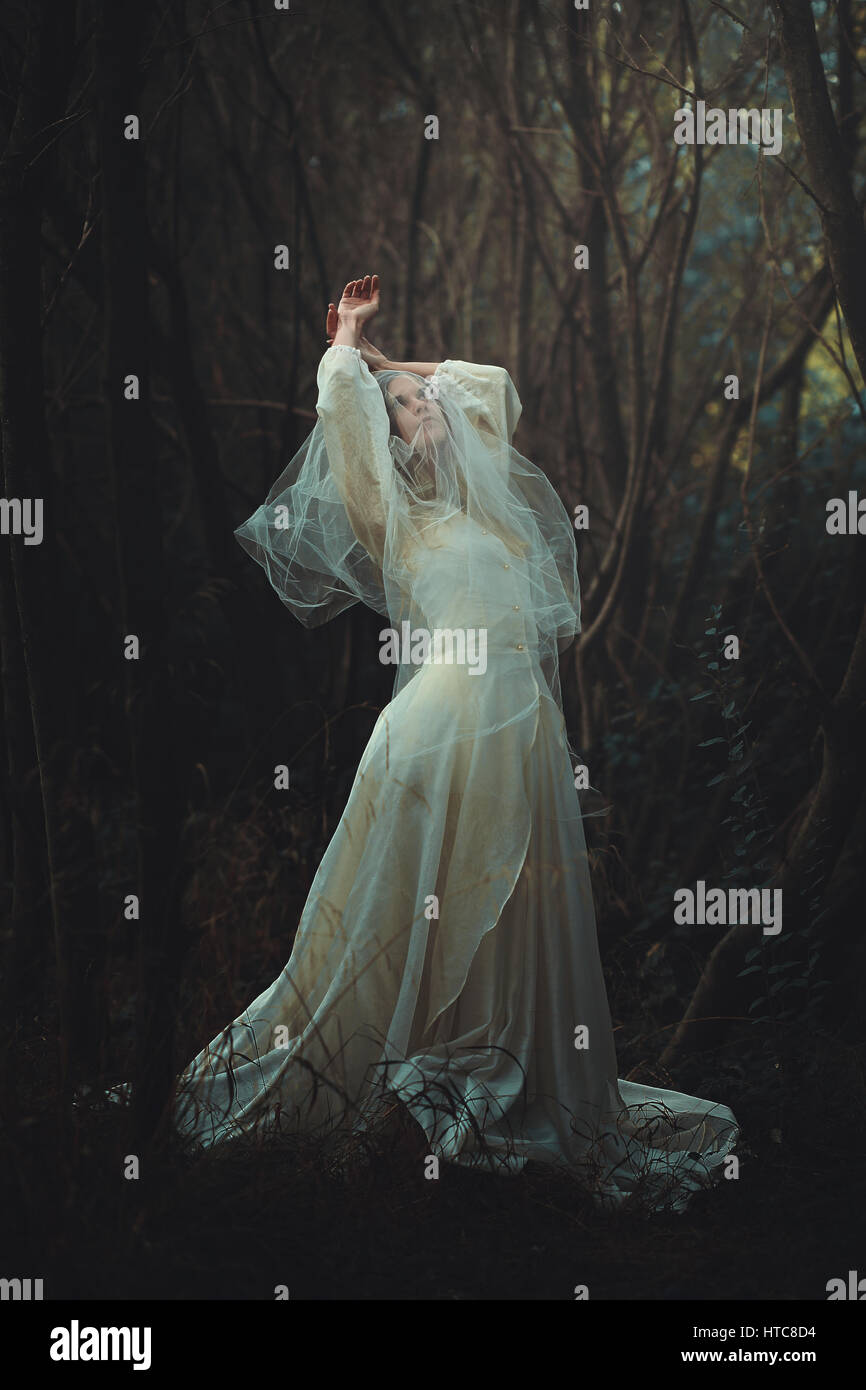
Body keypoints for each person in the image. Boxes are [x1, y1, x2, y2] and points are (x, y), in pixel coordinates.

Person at [173, 275, 739, 1211]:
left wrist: (404, 365)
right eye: (401, 404)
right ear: (387, 436)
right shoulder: (396, 519)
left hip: (521, 738)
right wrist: (353, 351)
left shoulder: (490, 508)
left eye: (421, 395)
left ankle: (515, 1070)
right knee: (399, 914)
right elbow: (349, 423)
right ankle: (395, 1080)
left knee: (520, 915)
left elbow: (494, 381)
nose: (420, 402)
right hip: (437, 736)